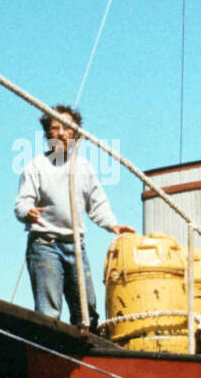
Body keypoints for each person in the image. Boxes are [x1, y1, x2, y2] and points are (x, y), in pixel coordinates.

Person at [15, 105, 134, 326]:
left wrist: (113, 226)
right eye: (55, 128)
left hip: (76, 246)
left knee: (87, 312)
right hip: (45, 244)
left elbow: (97, 203)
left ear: (76, 134)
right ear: (46, 133)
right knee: (48, 313)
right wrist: (27, 212)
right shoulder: (35, 166)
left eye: (67, 128)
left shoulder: (84, 168)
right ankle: (49, 354)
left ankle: (86, 356)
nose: (61, 133)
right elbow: (22, 202)